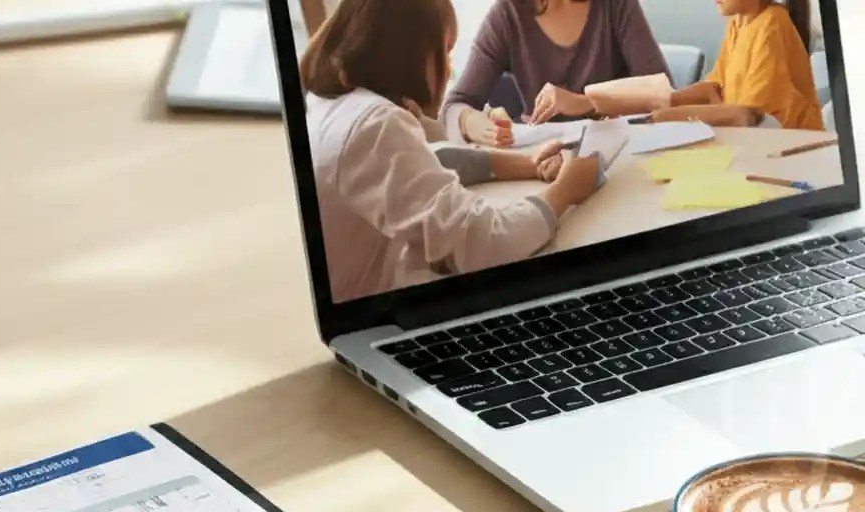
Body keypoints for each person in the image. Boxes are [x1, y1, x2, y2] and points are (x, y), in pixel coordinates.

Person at [300, 0, 601, 302]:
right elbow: (483, 243)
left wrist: (528, 164)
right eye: (445, 51)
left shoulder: (336, 102)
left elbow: (425, 160)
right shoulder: (374, 124)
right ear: (410, 50)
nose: (449, 67)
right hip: (373, 312)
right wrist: (565, 192)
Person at [442, 0, 670, 146]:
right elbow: (455, 104)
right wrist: (469, 121)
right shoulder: (507, 15)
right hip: (541, 162)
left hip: (618, 156)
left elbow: (664, 92)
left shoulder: (616, 6)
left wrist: (588, 102)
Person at [671, 0, 823, 131]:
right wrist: (668, 100)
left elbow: (749, 116)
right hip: (755, 141)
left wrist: (666, 116)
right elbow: (715, 87)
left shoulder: (772, 23)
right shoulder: (736, 23)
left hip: (795, 150)